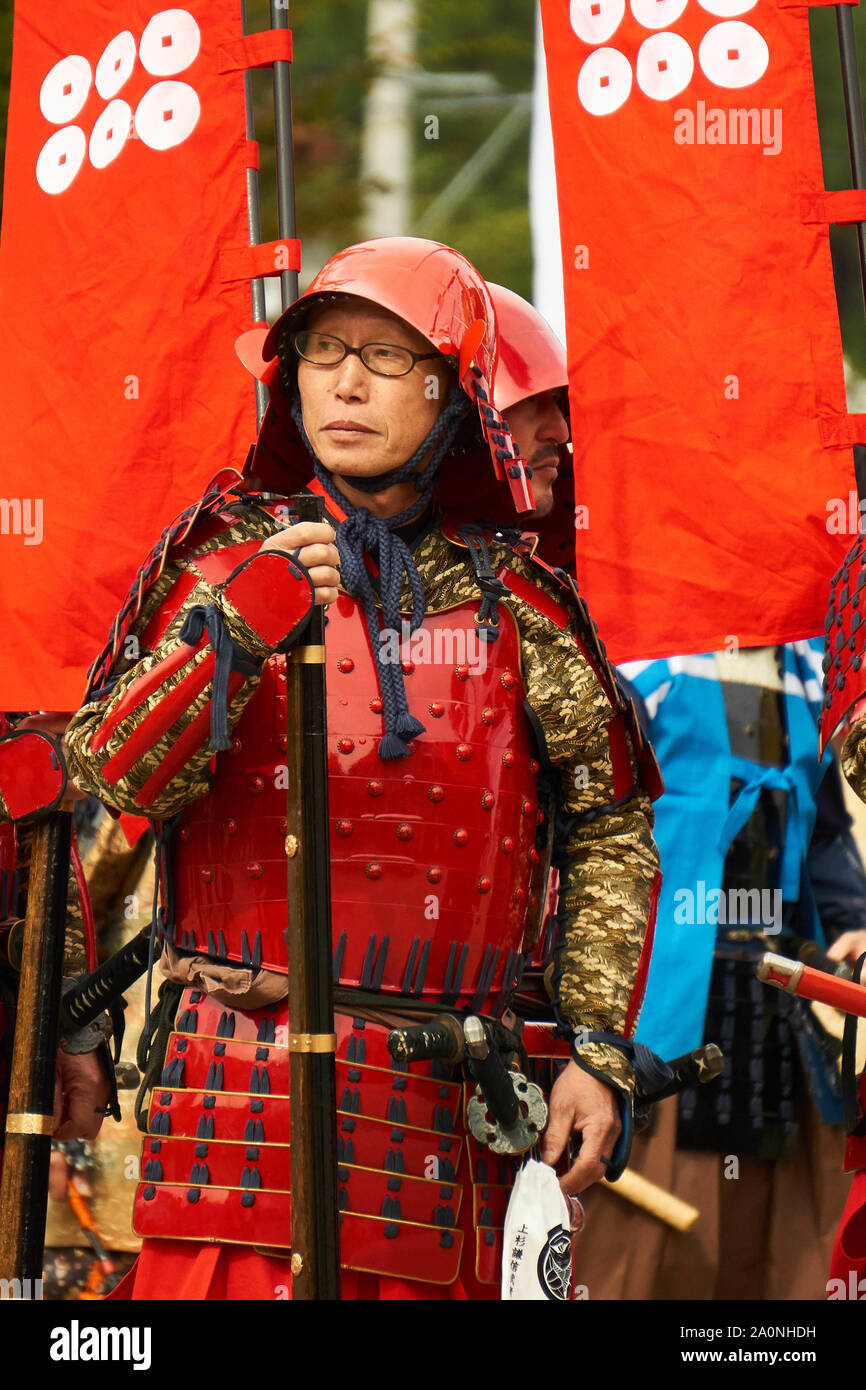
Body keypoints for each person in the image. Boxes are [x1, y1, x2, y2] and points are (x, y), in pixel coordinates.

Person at [64, 236, 661, 1300]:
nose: (344, 380)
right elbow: (113, 777)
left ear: (451, 395)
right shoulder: (213, 557)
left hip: (442, 1118)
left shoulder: (523, 606)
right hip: (228, 1099)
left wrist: (597, 1049)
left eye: (386, 359)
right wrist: (233, 633)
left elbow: (610, 826)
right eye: (323, 349)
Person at [569, 641, 862, 1300]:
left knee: (782, 1251)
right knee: (641, 1256)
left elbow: (823, 837)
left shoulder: (815, 675)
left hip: (782, 1005)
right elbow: (590, 825)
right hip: (663, 1000)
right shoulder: (648, 666)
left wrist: (851, 927)